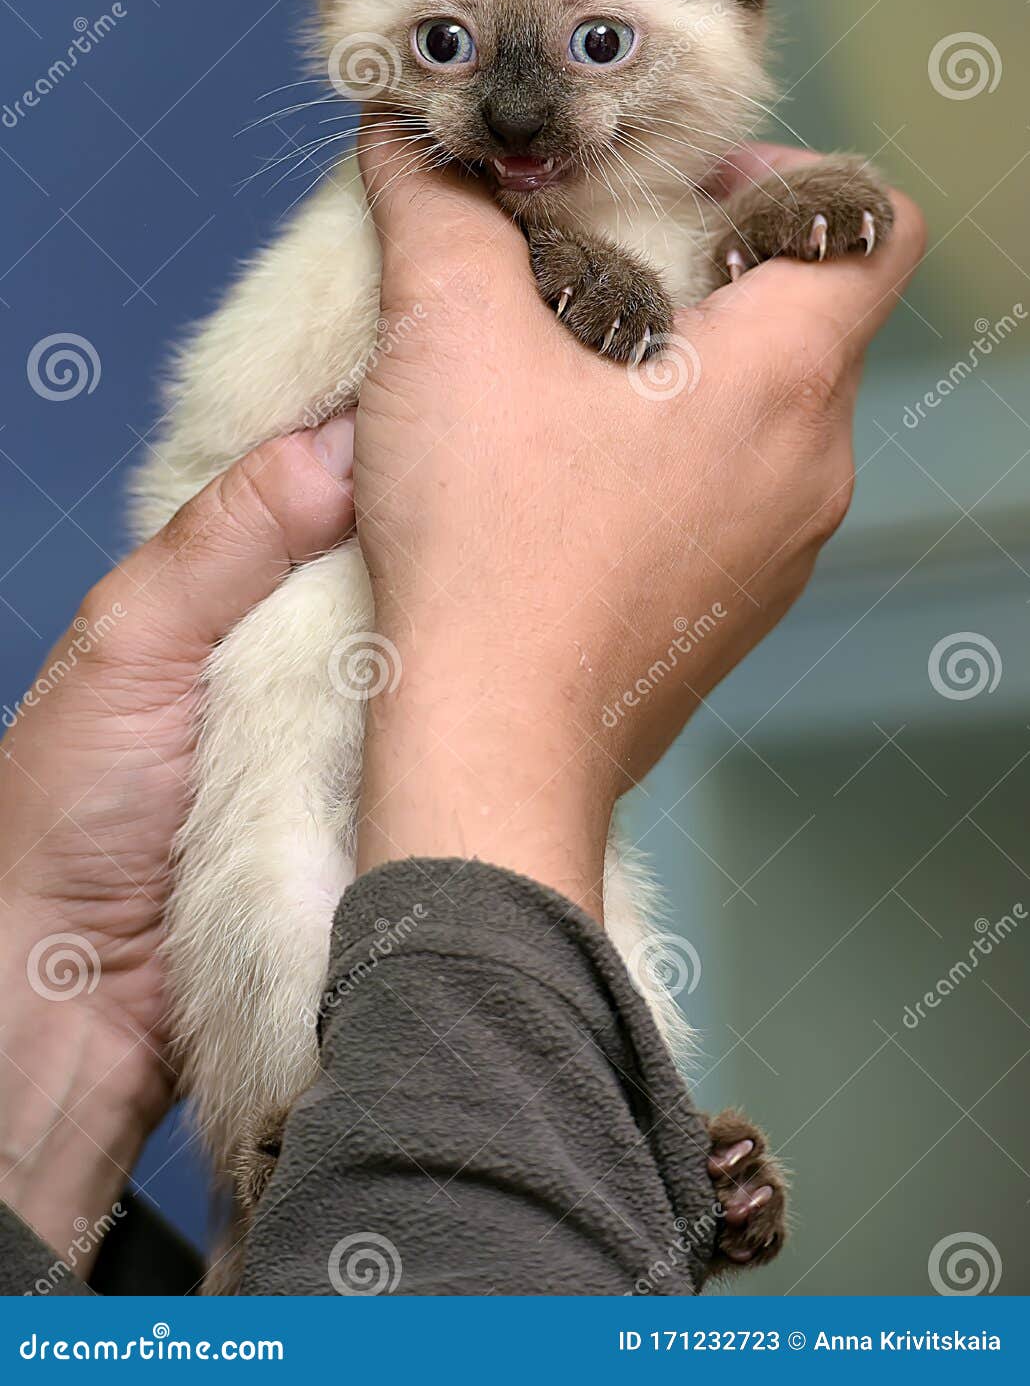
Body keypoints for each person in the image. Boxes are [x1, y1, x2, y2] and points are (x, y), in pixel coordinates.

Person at [0, 137, 925, 1295]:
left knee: (567, 896)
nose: (520, 113)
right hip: (299, 747)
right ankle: (446, 1137)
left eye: (597, 44)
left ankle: (564, 1131)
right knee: (310, 853)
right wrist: (517, 700)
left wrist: (52, 995)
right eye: (447, 44)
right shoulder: (366, 237)